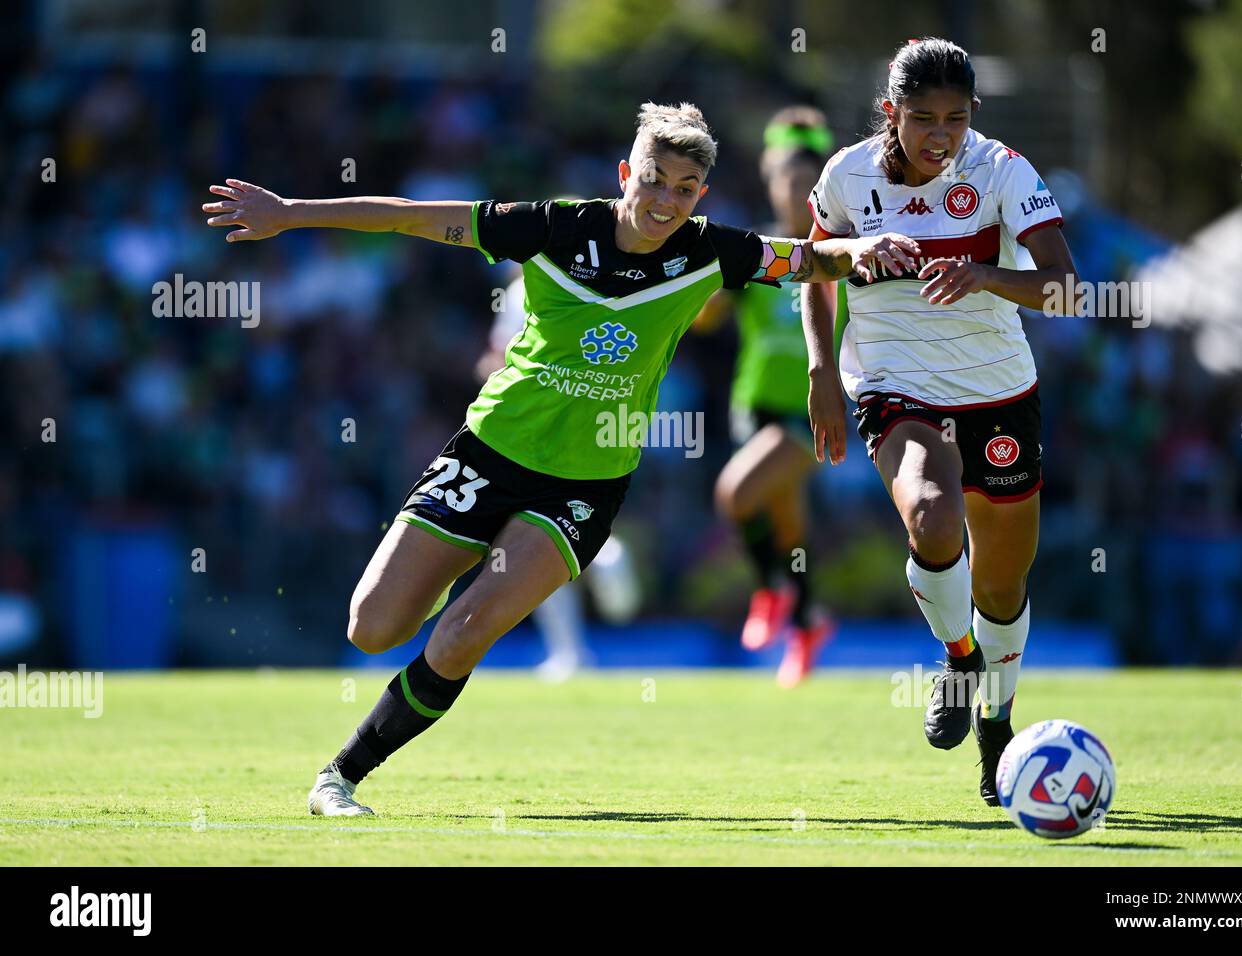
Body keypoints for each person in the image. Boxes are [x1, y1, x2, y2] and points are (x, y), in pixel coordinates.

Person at [204, 101, 906, 816]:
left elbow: (811, 259)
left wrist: (868, 250)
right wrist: (290, 211)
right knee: (374, 626)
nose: (666, 199)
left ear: (702, 194)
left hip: (583, 485)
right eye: (655, 179)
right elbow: (412, 217)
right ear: (626, 173)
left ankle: (339, 777)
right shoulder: (551, 226)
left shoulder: (711, 251)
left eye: (685, 187)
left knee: (463, 634)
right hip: (490, 452)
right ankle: (454, 568)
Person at [802, 38, 1079, 806]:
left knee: (1000, 580)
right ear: (890, 113)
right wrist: (823, 371)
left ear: (973, 116)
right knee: (930, 515)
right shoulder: (847, 175)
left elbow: (1066, 290)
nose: (938, 135)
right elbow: (814, 271)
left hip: (998, 394)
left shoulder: (1001, 170)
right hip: (895, 387)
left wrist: (985, 274)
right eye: (921, 118)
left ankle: (997, 725)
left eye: (954, 119)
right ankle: (960, 664)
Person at [695, 106, 844, 686]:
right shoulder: (758, 252)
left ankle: (770, 591)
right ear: (771, 183)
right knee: (787, 523)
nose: (797, 191)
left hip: (809, 411)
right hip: (749, 406)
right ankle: (808, 622)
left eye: (809, 183)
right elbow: (706, 320)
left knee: (735, 495)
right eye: (788, 180)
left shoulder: (841, 253)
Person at [475, 265, 643, 682]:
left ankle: (571, 645)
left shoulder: (522, 289)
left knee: (526, 540)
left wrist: (484, 374)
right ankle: (602, 566)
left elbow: (502, 359)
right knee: (565, 526)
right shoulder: (610, 283)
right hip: (604, 425)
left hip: (536, 432)